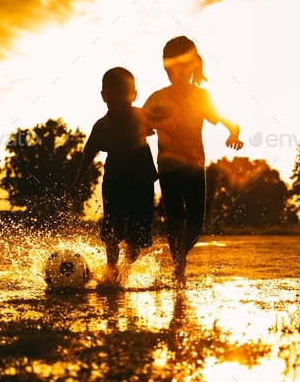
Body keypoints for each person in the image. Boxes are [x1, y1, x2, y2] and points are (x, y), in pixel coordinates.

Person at [143, 36, 244, 286]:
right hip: (168, 167)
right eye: (170, 68)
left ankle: (179, 259)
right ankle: (179, 270)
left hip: (195, 167)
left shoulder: (201, 97)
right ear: (165, 67)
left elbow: (228, 120)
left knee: (196, 225)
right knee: (175, 219)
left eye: (182, 67)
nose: (175, 73)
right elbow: (140, 122)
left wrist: (234, 133)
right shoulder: (157, 98)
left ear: (193, 66)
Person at [67, 67, 175, 283]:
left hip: (142, 183)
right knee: (112, 232)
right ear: (104, 97)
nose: (118, 108)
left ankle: (124, 272)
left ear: (133, 96)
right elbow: (89, 152)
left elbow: (167, 123)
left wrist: (170, 126)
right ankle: (112, 270)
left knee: (136, 236)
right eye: (112, 102)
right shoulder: (101, 127)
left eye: (123, 102)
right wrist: (78, 180)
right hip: (115, 182)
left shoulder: (142, 116)